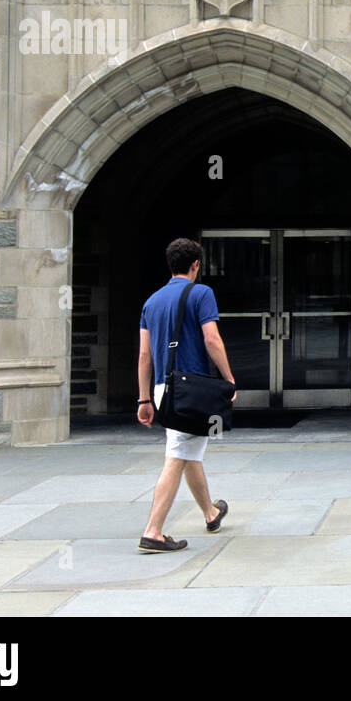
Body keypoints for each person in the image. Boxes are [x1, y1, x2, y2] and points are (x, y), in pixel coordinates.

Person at [135, 237, 236, 553]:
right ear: (195, 265)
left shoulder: (151, 302)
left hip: (164, 388)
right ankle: (153, 531)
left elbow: (144, 355)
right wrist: (229, 379)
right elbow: (212, 340)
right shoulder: (201, 293)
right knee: (177, 455)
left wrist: (144, 399)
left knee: (188, 450)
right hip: (192, 387)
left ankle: (210, 512)